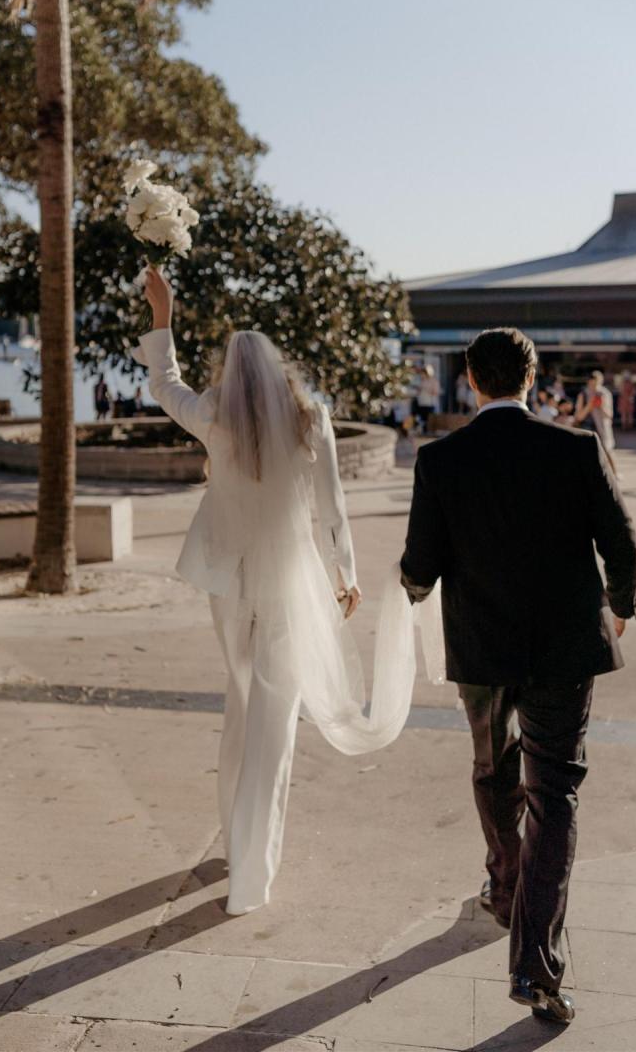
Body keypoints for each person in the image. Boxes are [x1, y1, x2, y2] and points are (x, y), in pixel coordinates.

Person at [133, 266, 441, 916]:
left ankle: (236, 843)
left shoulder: (213, 414)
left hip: (229, 584)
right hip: (294, 586)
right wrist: (347, 576)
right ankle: (253, 872)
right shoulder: (313, 421)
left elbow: (163, 384)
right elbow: (333, 508)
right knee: (275, 724)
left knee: (242, 708)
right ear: (279, 373)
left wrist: (164, 316)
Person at [400, 326, 636, 1027]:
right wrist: (621, 607)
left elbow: (421, 561)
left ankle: (505, 887)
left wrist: (411, 593)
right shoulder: (574, 448)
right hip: (565, 648)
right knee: (556, 791)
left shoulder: (440, 458)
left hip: (480, 649)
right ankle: (536, 963)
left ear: (472, 381)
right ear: (531, 380)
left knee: (492, 768)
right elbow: (622, 543)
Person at [575, 371, 618, 475]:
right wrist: (589, 406)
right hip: (586, 428)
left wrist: (601, 406)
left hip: (602, 428)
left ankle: (614, 475)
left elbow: (610, 415)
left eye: (596, 384)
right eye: (591, 384)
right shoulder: (583, 394)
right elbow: (578, 417)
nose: (594, 387)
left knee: (607, 451)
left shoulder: (605, 394)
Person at [416, 363, 440, 433]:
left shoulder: (434, 381)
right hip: (422, 403)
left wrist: (426, 389)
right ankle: (423, 431)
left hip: (430, 404)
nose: (422, 375)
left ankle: (429, 432)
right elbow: (418, 392)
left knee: (429, 419)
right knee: (422, 419)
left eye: (423, 373)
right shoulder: (421, 381)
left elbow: (436, 392)